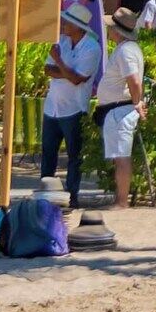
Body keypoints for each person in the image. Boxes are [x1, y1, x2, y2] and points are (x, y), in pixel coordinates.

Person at [93, 8, 149, 210]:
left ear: (117, 30)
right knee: (119, 156)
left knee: (121, 157)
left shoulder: (126, 51)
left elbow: (134, 81)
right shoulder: (126, 49)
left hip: (120, 110)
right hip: (117, 109)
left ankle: (122, 201)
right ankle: (121, 199)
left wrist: (136, 102)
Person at [40, 12, 98, 202]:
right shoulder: (62, 42)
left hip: (74, 109)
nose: (64, 24)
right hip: (52, 107)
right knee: (48, 153)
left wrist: (59, 62)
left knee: (74, 155)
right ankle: (46, 194)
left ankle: (72, 195)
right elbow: (48, 70)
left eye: (69, 22)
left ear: (79, 27)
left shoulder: (91, 48)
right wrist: (65, 70)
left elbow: (76, 79)